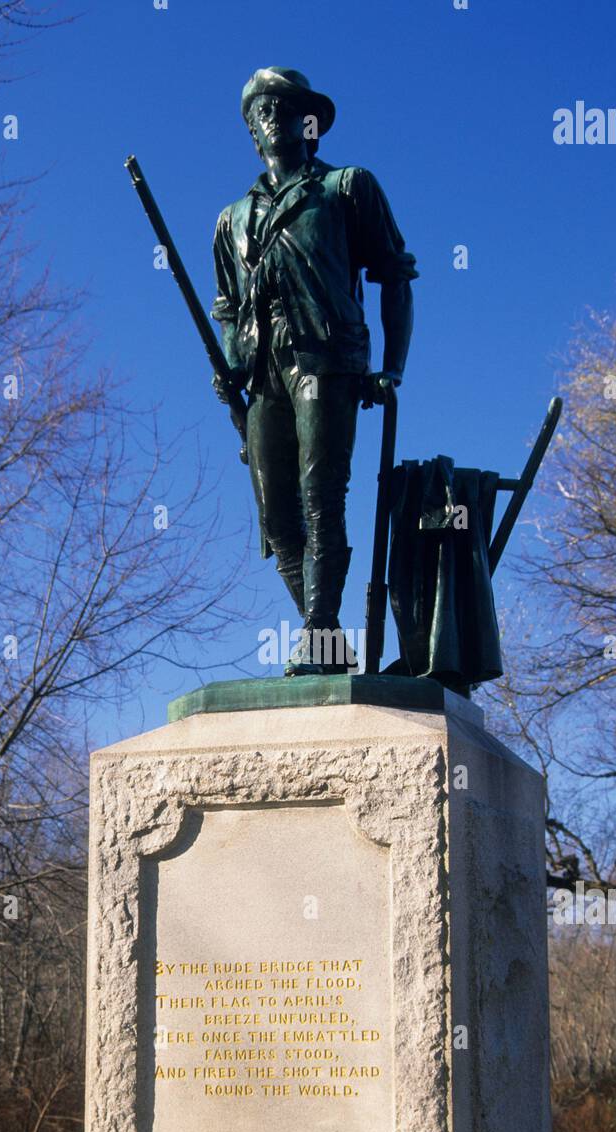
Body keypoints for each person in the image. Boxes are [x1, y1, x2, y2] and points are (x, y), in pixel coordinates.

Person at [211, 66, 417, 675]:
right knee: (276, 516)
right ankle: (325, 638)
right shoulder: (231, 220)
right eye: (259, 111)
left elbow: (395, 276)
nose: (270, 118)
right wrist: (231, 370)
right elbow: (227, 311)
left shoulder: (346, 188)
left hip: (326, 355)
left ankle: (321, 633)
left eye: (282, 107)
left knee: (321, 495)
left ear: (310, 123)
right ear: (250, 130)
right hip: (262, 372)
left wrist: (392, 368)